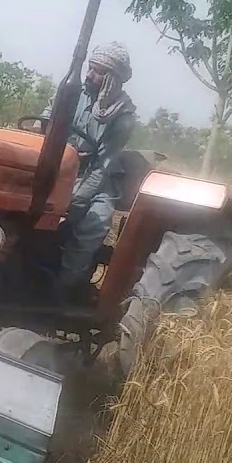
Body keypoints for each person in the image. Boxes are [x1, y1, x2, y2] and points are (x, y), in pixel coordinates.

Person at [55, 43, 138, 303]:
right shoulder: (71, 91)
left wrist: (76, 201)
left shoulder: (123, 117)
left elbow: (104, 164)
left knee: (93, 222)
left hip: (97, 178)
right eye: (90, 68)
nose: (89, 75)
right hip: (58, 165)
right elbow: (48, 119)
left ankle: (63, 288)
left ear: (112, 80)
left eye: (97, 72)